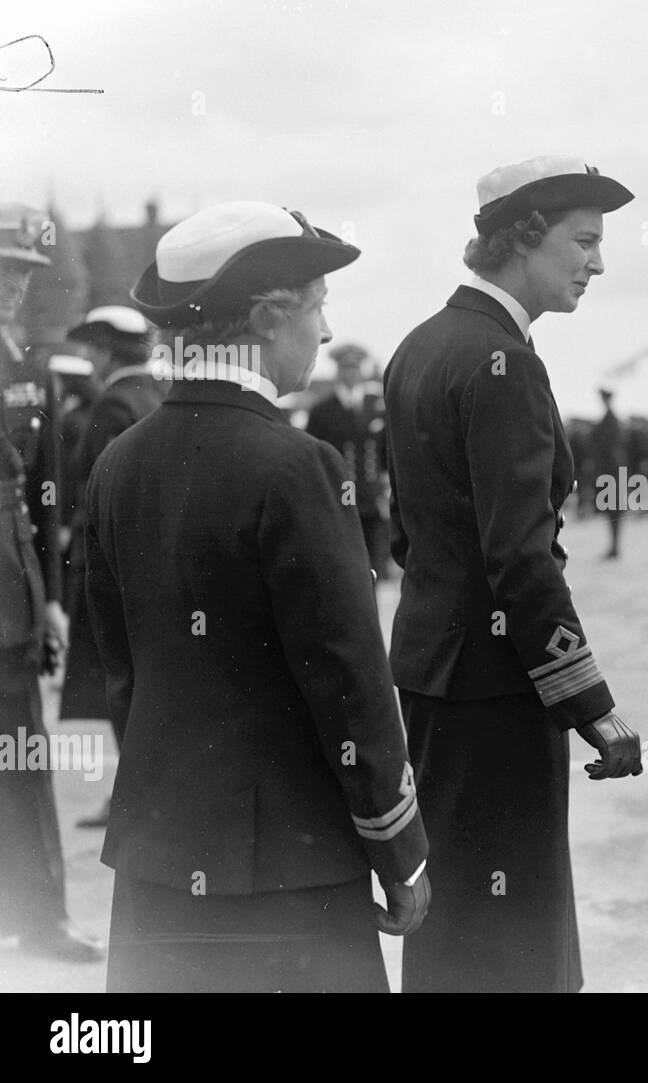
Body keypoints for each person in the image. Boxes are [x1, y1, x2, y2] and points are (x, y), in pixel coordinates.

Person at [85, 201, 430, 992]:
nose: (328, 333)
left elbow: (124, 672)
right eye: (319, 307)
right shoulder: (298, 465)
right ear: (272, 318)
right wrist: (399, 846)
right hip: (289, 869)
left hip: (157, 856)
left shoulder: (117, 463)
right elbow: (349, 679)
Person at [384, 155, 643, 993]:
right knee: (517, 935)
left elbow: (410, 536)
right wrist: (591, 704)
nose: (597, 263)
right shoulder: (506, 362)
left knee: (456, 923)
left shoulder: (419, 347)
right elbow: (521, 559)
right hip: (497, 690)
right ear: (522, 238)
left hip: (432, 675)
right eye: (584, 241)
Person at [0, 203, 104, 962]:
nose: (13, 285)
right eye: (3, 269)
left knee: (22, 762)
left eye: (24, 273)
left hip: (12, 603)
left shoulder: (27, 363)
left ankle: (40, 915)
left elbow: (41, 497)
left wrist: (54, 602)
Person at [59, 306, 164, 832]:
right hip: (161, 563)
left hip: (115, 566)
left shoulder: (112, 404)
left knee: (120, 683)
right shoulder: (160, 395)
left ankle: (136, 800)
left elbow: (99, 495)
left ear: (103, 352)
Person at [306, 342, 392, 579]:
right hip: (337, 496)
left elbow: (385, 451)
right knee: (344, 564)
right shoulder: (321, 412)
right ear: (338, 372)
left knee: (374, 563)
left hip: (371, 498)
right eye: (346, 368)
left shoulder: (376, 408)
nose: (351, 373)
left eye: (355, 368)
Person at [589, 386, 626, 558]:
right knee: (612, 509)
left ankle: (615, 547)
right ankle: (614, 546)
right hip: (611, 469)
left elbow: (607, 446)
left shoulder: (609, 419)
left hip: (611, 470)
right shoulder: (610, 418)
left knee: (614, 509)